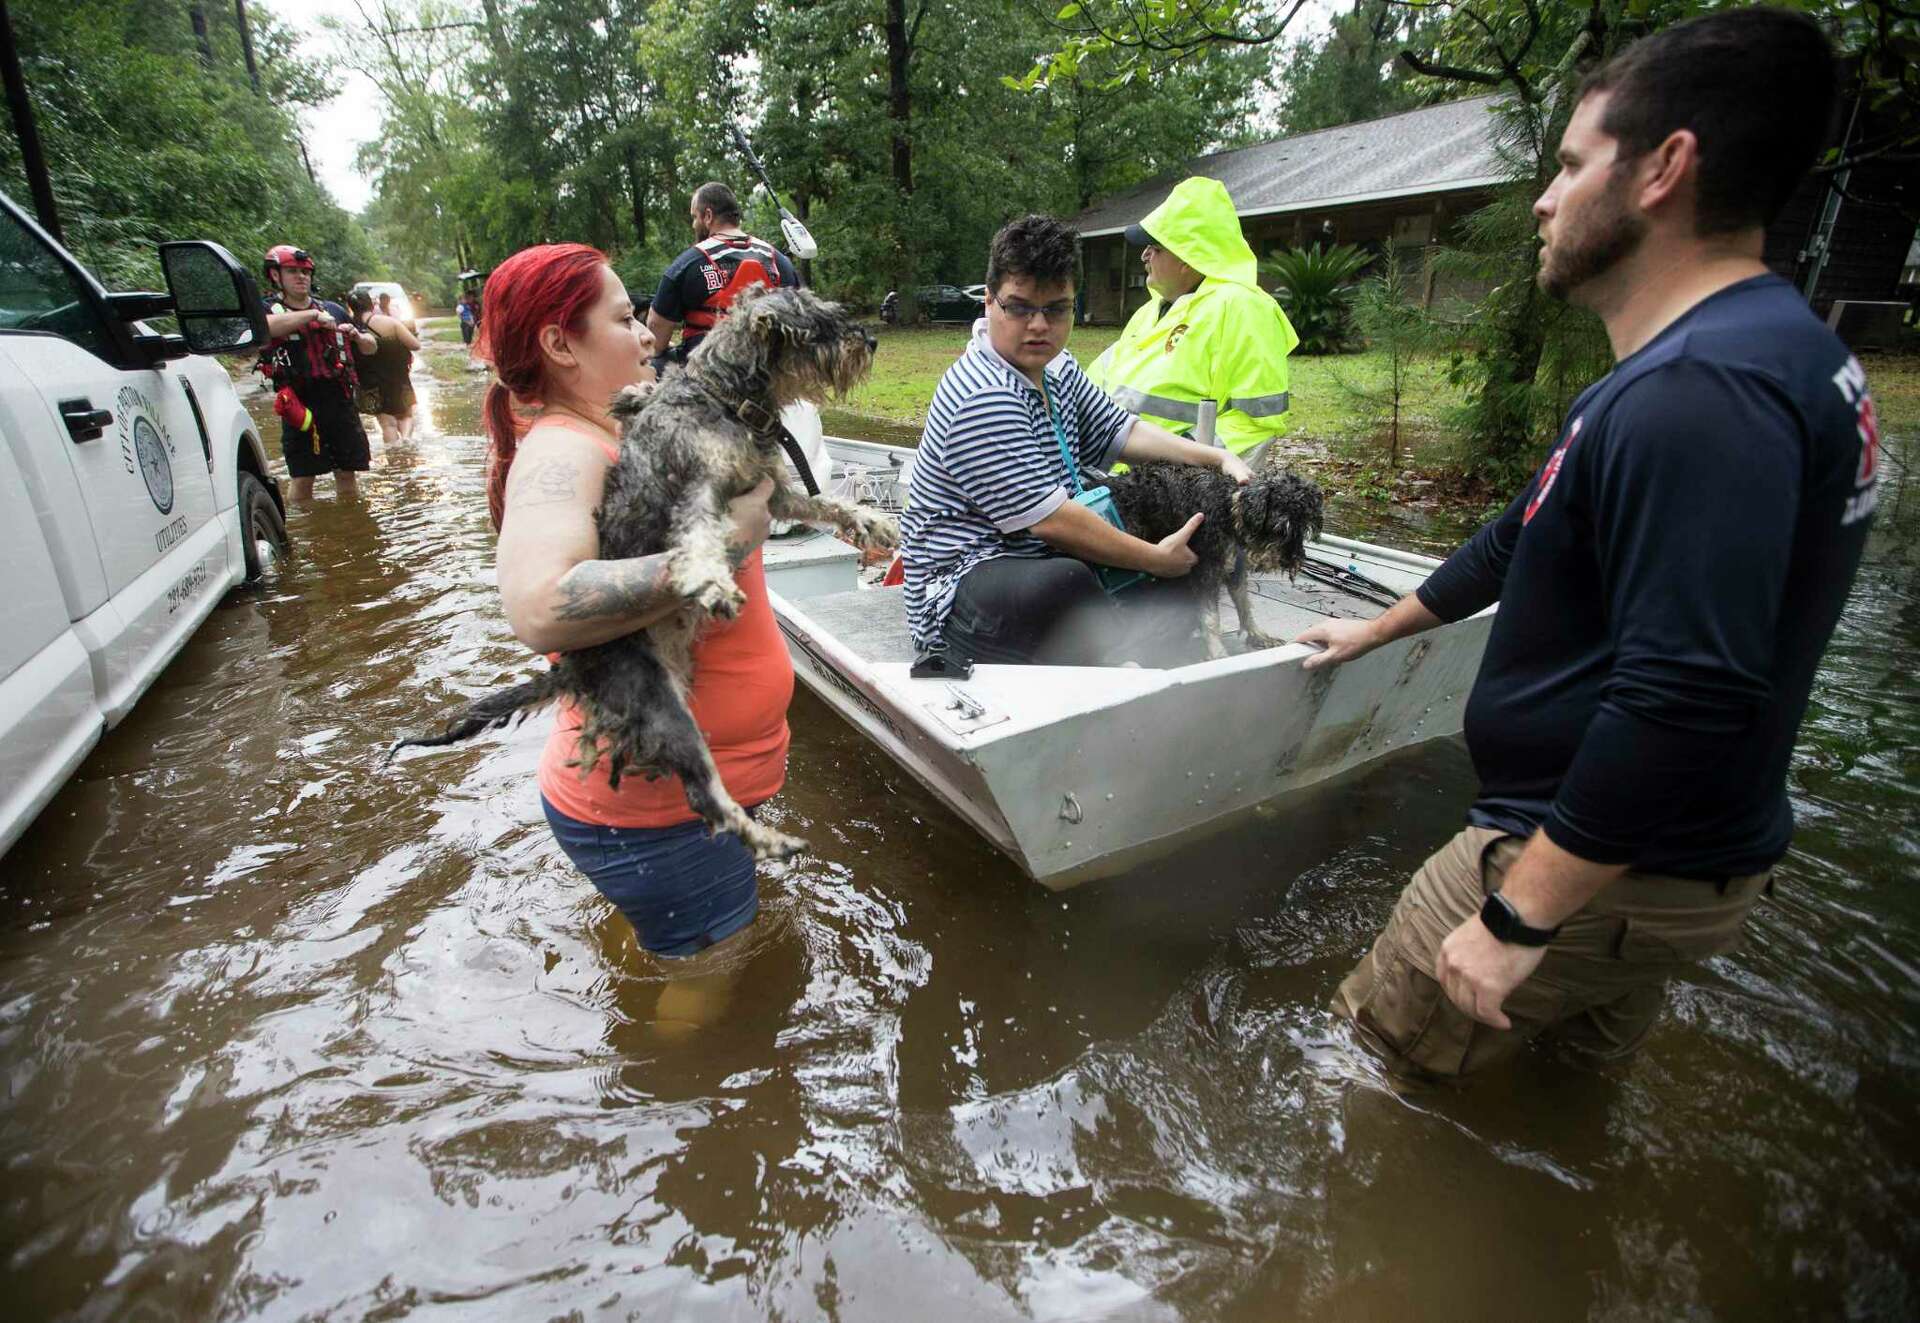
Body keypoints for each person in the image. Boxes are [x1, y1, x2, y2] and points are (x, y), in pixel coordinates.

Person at [1296, 8, 1876, 1079]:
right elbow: (1519, 539)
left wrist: (1517, 918)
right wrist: (1373, 631)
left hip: (1570, 860)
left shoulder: (1699, 392)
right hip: (1662, 874)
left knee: (1367, 1085)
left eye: (1571, 165)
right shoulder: (1775, 353)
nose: (1545, 198)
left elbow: (1687, 688)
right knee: (1554, 1113)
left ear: (1666, 169)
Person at [480, 242, 784, 1038]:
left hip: (671, 804)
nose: (647, 333)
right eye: (622, 318)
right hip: (655, 814)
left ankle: (651, 955)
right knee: (708, 983)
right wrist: (727, 541)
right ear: (558, 343)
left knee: (687, 951)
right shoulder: (563, 449)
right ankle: (672, 1108)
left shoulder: (619, 430)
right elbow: (542, 604)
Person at [901, 214, 1255, 668]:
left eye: (1056, 309)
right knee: (1067, 583)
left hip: (1044, 556)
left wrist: (1216, 456)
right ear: (989, 302)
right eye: (1019, 307)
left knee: (1184, 559)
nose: (1038, 327)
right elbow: (1053, 521)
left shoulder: (1057, 367)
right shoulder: (981, 395)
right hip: (963, 588)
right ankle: (1114, 658)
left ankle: (1112, 651)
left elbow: (1120, 430)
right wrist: (1151, 559)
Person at [1085, 177, 1299, 463]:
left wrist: (1186, 466)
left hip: (1178, 493)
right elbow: (1097, 382)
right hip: (1114, 478)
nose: (1144, 255)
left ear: (1188, 257)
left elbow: (1256, 422)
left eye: (1155, 247)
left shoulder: (1243, 307)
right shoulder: (1151, 310)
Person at [256, 245, 377, 500]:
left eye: (305, 272)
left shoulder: (333, 309)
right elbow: (265, 329)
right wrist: (312, 315)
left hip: (338, 399)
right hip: (299, 402)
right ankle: (308, 533)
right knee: (302, 477)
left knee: (347, 473)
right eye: (292, 271)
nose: (301, 277)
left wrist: (358, 337)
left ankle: (350, 525)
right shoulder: (269, 310)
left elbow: (371, 347)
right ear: (276, 276)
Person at [645, 182, 800, 372]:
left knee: (650, 363)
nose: (694, 224)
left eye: (695, 217)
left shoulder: (687, 264)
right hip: (769, 370)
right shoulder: (780, 261)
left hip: (706, 372)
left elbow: (655, 337)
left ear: (708, 216)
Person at [349, 288, 421, 443]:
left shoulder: (350, 327)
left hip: (369, 382)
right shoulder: (388, 322)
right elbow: (415, 345)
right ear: (372, 303)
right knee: (406, 415)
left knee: (387, 425)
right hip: (398, 378)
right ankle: (407, 440)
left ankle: (393, 454)